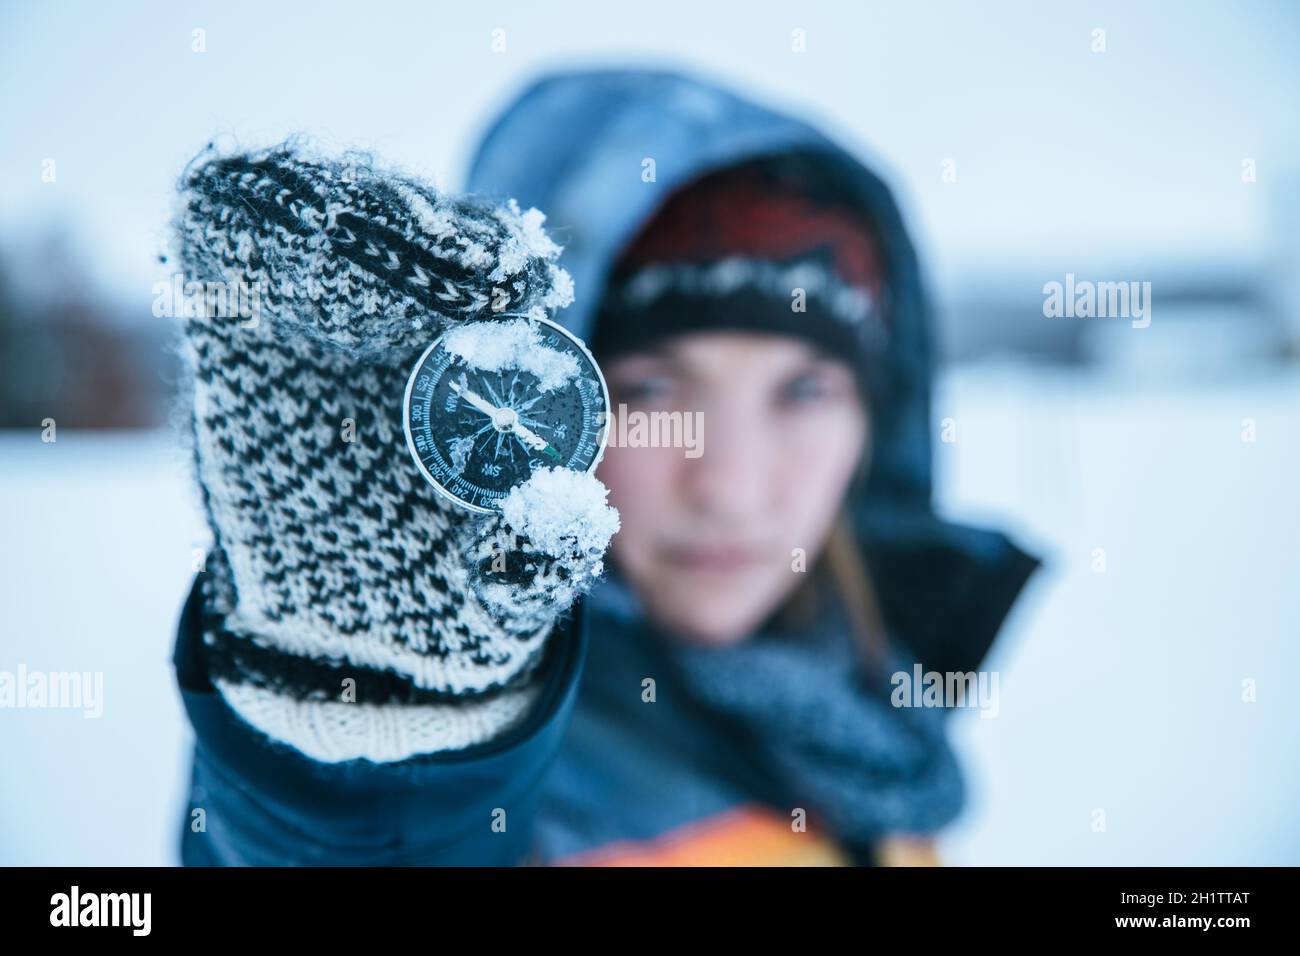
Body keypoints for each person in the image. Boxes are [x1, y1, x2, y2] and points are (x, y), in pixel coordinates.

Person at [170, 68, 1038, 866]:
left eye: (805, 390)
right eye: (652, 390)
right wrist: (371, 737)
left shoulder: (879, 704)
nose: (732, 489)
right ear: (530, 395)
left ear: (874, 426)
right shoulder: (485, 763)